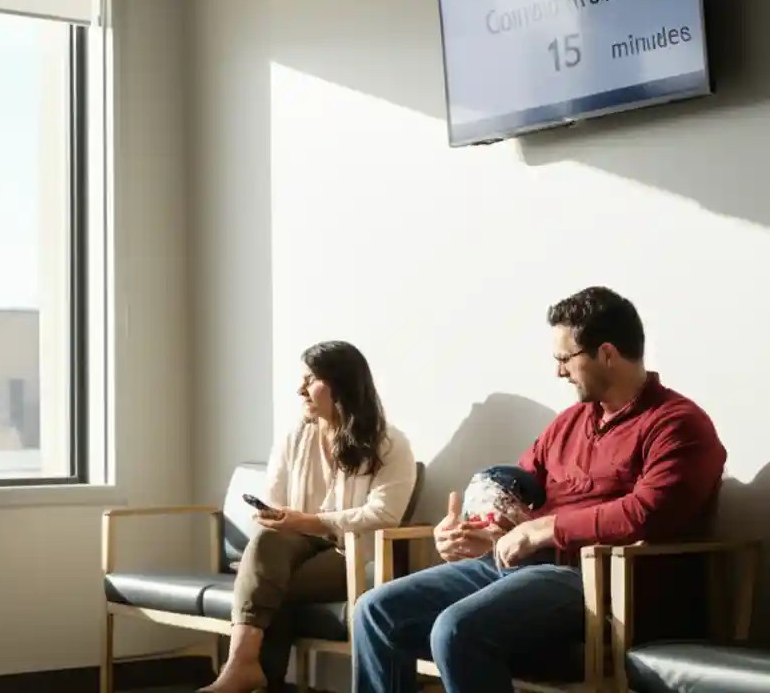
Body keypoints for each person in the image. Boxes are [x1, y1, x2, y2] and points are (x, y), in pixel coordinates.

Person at [351, 286, 728, 693]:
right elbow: (523, 487)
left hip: (594, 577)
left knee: (457, 630)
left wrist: (543, 529)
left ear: (606, 354)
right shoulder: (568, 423)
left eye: (565, 359)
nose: (559, 372)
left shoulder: (677, 424)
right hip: (526, 566)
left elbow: (648, 512)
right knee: (375, 610)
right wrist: (478, 532)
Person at [200, 341, 417, 693]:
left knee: (267, 586)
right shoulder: (293, 437)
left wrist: (309, 524)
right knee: (268, 545)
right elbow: (275, 502)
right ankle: (244, 669)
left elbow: (385, 514)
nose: (300, 389)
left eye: (311, 379)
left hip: (355, 555)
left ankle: (243, 672)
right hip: (297, 547)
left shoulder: (390, 443)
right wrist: (282, 523)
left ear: (342, 384)